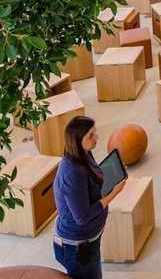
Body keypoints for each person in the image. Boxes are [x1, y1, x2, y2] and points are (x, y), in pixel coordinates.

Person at [53, 116, 125, 279]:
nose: (96, 137)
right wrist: (114, 193)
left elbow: (91, 178)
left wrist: (113, 171)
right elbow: (82, 217)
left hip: (89, 239)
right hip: (77, 247)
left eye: (95, 132)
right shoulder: (72, 173)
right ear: (77, 141)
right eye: (90, 136)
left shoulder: (83, 153)